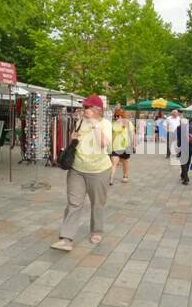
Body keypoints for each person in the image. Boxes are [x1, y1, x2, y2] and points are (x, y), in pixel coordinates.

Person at [52, 95, 112, 253]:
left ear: (96, 110)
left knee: (97, 203)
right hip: (77, 169)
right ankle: (66, 238)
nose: (83, 110)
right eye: (84, 107)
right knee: (73, 203)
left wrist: (94, 124)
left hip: (99, 170)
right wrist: (73, 138)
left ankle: (97, 231)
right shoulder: (79, 122)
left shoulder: (105, 124)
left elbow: (103, 143)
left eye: (87, 107)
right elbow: (75, 139)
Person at [109, 108, 134, 185]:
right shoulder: (114, 124)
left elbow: (132, 134)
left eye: (117, 116)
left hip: (124, 146)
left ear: (122, 115)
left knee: (124, 163)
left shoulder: (127, 123)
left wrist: (133, 144)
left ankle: (124, 176)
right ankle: (112, 179)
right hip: (117, 146)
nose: (116, 117)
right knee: (115, 163)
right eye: (115, 116)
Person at [176, 117, 192, 185]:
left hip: (184, 147)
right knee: (187, 162)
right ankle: (183, 174)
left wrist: (178, 147)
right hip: (191, 147)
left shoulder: (179, 127)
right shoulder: (190, 127)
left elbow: (179, 138)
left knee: (183, 163)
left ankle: (186, 178)